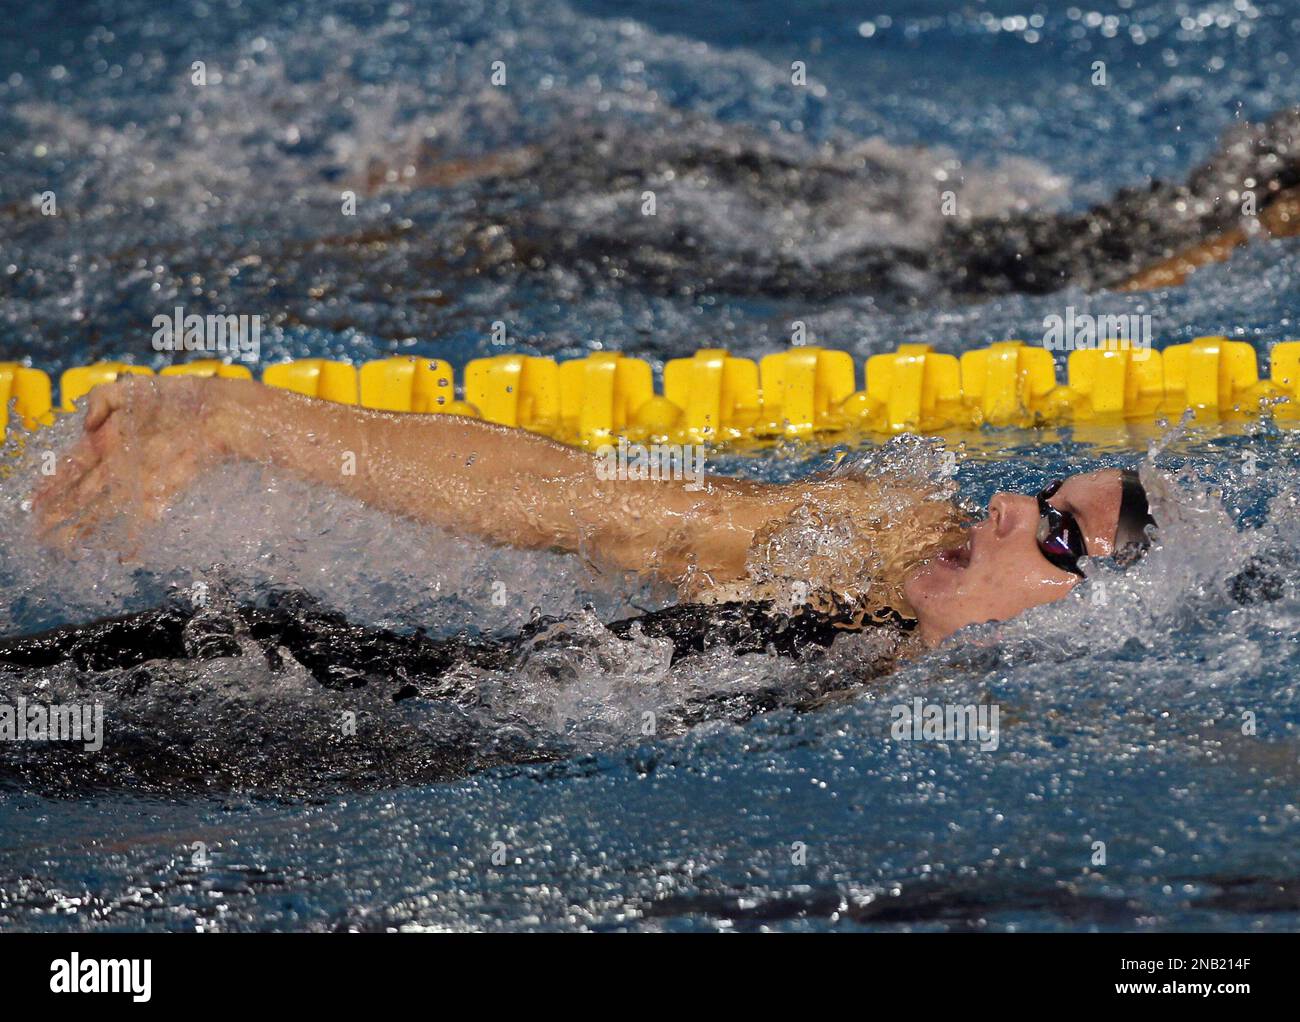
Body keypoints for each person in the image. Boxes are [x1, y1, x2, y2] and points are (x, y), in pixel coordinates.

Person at [31, 375, 1156, 649]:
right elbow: (583, 504)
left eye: (1059, 534)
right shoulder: (874, 552)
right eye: (1046, 496)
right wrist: (236, 414)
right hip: (343, 694)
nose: (1008, 501)